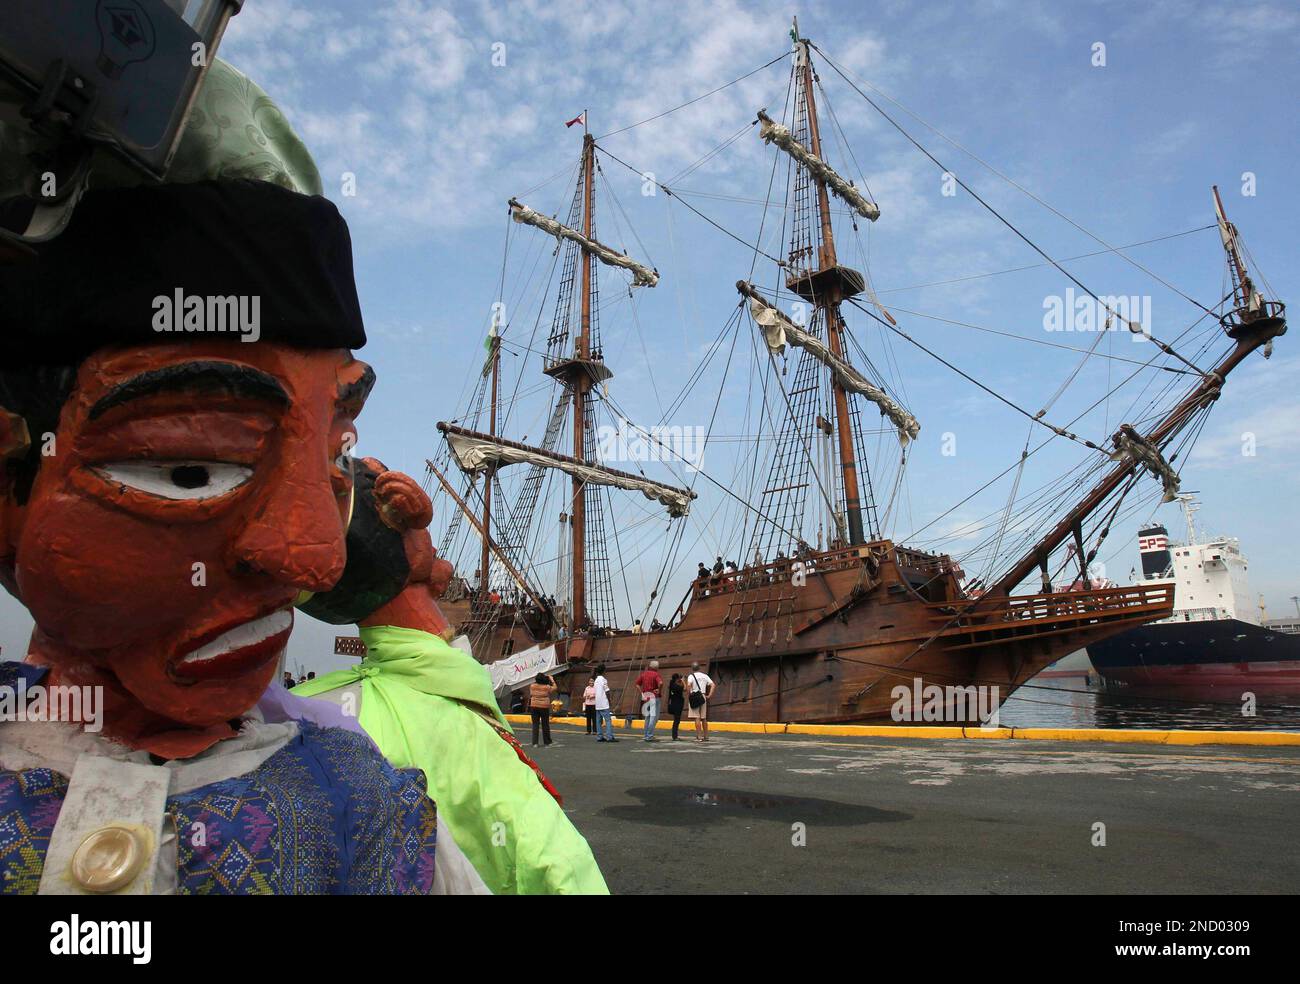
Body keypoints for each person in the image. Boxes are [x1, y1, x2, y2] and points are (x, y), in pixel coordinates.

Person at [633, 660, 664, 742]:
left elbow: (637, 684)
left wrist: (642, 693)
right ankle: (649, 736)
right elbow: (661, 683)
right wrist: (659, 690)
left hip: (646, 696)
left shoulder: (644, 674)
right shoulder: (656, 674)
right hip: (654, 696)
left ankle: (646, 735)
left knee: (647, 717)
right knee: (653, 717)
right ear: (657, 668)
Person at [686, 662, 716, 743]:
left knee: (697, 717)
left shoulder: (691, 676)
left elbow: (688, 685)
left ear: (692, 668)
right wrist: (709, 695)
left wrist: (689, 694)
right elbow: (713, 685)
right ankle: (706, 736)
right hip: (702, 695)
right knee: (704, 718)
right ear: (699, 668)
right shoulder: (704, 676)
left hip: (694, 696)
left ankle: (699, 736)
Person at [528, 673, 557, 747]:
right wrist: (552, 679)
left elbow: (531, 693)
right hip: (544, 706)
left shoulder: (532, 686)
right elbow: (555, 688)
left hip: (534, 705)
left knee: (535, 724)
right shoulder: (546, 687)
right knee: (545, 724)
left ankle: (535, 743)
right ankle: (547, 741)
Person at [592, 663, 617, 742]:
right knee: (608, 720)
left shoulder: (595, 680)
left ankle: (599, 736)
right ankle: (609, 737)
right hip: (604, 703)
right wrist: (609, 700)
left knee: (598, 721)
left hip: (597, 704)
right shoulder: (603, 680)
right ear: (604, 671)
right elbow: (607, 691)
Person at [667, 673, 686, 740]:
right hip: (677, 705)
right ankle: (675, 736)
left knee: (676, 720)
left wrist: (680, 681)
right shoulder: (677, 686)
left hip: (673, 704)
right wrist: (683, 681)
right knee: (676, 721)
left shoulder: (672, 685)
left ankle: (674, 736)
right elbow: (685, 689)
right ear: (677, 679)